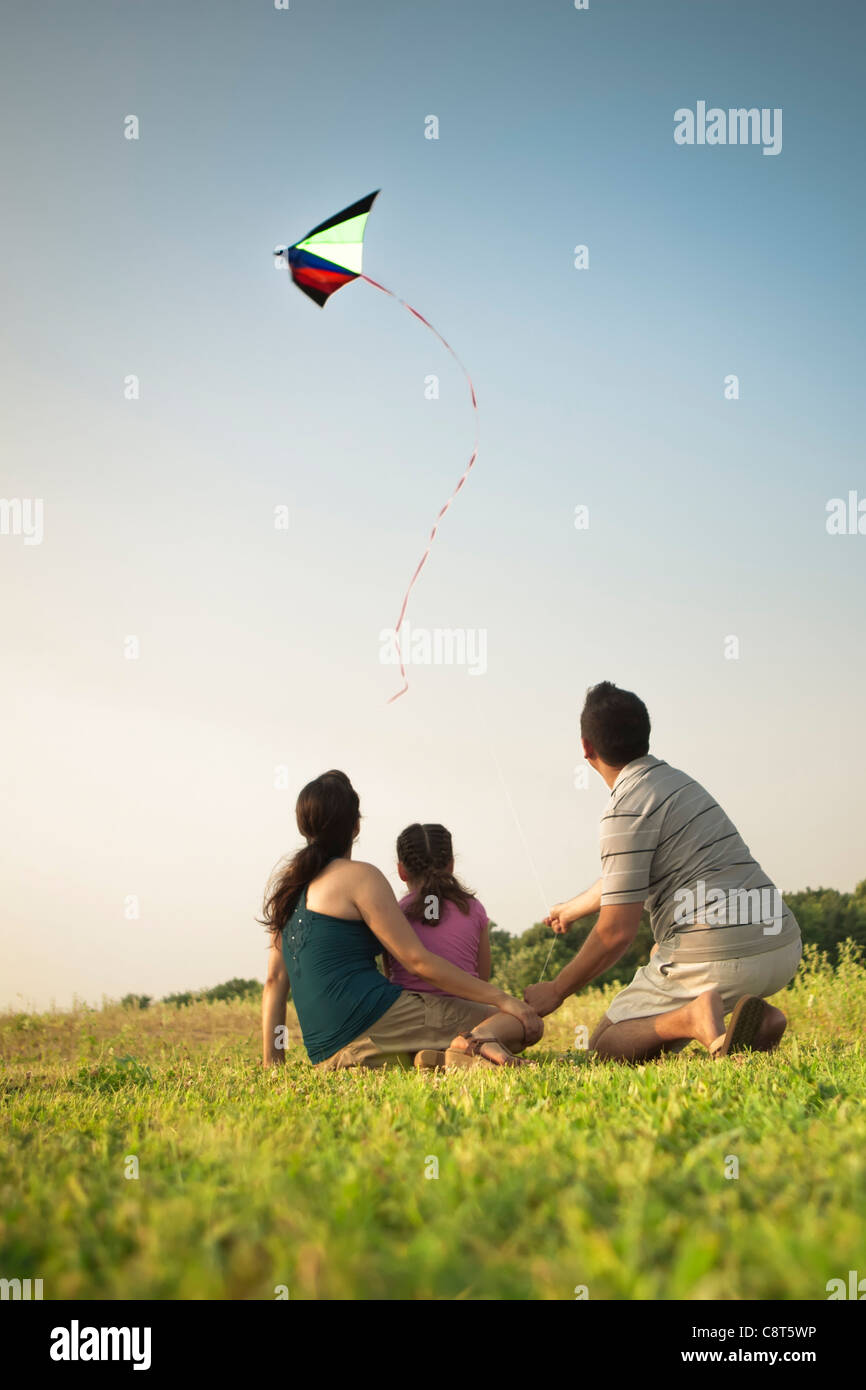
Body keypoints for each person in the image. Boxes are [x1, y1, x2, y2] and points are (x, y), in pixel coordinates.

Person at [524, 682, 802, 1061]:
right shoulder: (678, 784)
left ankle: (693, 1017)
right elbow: (623, 878)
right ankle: (762, 1021)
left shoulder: (624, 810)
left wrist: (556, 989)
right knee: (662, 949)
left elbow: (616, 933)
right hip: (781, 945)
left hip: (719, 956)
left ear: (586, 747)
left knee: (606, 1045)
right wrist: (571, 909)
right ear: (645, 734)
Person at [261, 771, 542, 1070]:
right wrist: (504, 1000)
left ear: (303, 825)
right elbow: (416, 960)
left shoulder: (287, 891)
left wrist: (272, 1067)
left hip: (328, 1053)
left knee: (416, 1043)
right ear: (356, 826)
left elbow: (274, 982)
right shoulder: (361, 877)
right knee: (518, 1022)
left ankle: (427, 1057)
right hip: (379, 1017)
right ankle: (467, 1046)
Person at [383, 822, 491, 991]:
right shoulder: (473, 908)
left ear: (401, 871)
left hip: (409, 1011)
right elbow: (483, 978)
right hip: (467, 1010)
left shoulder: (394, 913)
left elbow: (388, 974)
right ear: (451, 865)